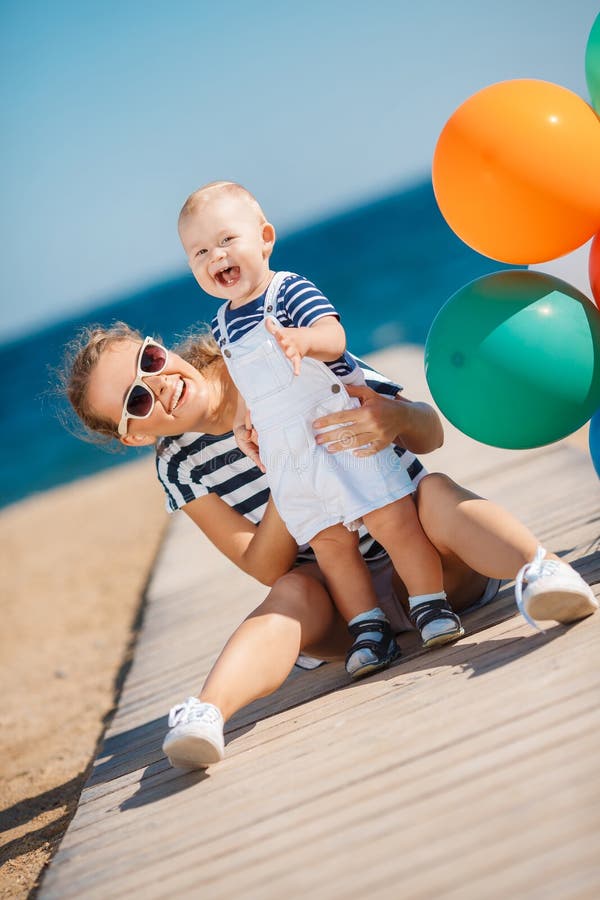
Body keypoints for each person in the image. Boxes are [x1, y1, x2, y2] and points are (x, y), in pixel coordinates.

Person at [62, 324, 597, 770]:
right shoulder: (178, 462)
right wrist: (288, 469)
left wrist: (394, 419)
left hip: (436, 568)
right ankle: (207, 714)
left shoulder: (280, 357)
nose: (157, 384)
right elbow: (262, 563)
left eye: (150, 361)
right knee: (292, 586)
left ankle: (541, 570)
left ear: (159, 347)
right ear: (133, 434)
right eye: (136, 398)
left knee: (432, 491)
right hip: (349, 616)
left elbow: (429, 434)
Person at [177, 180, 461, 682]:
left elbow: (336, 338)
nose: (214, 256)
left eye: (226, 240)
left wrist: (302, 340)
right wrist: (243, 416)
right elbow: (245, 376)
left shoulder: (287, 289)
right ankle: (368, 627)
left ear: (264, 237)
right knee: (331, 547)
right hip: (292, 455)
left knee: (392, 519)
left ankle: (430, 604)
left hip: (336, 432)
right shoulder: (221, 323)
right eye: (199, 251)